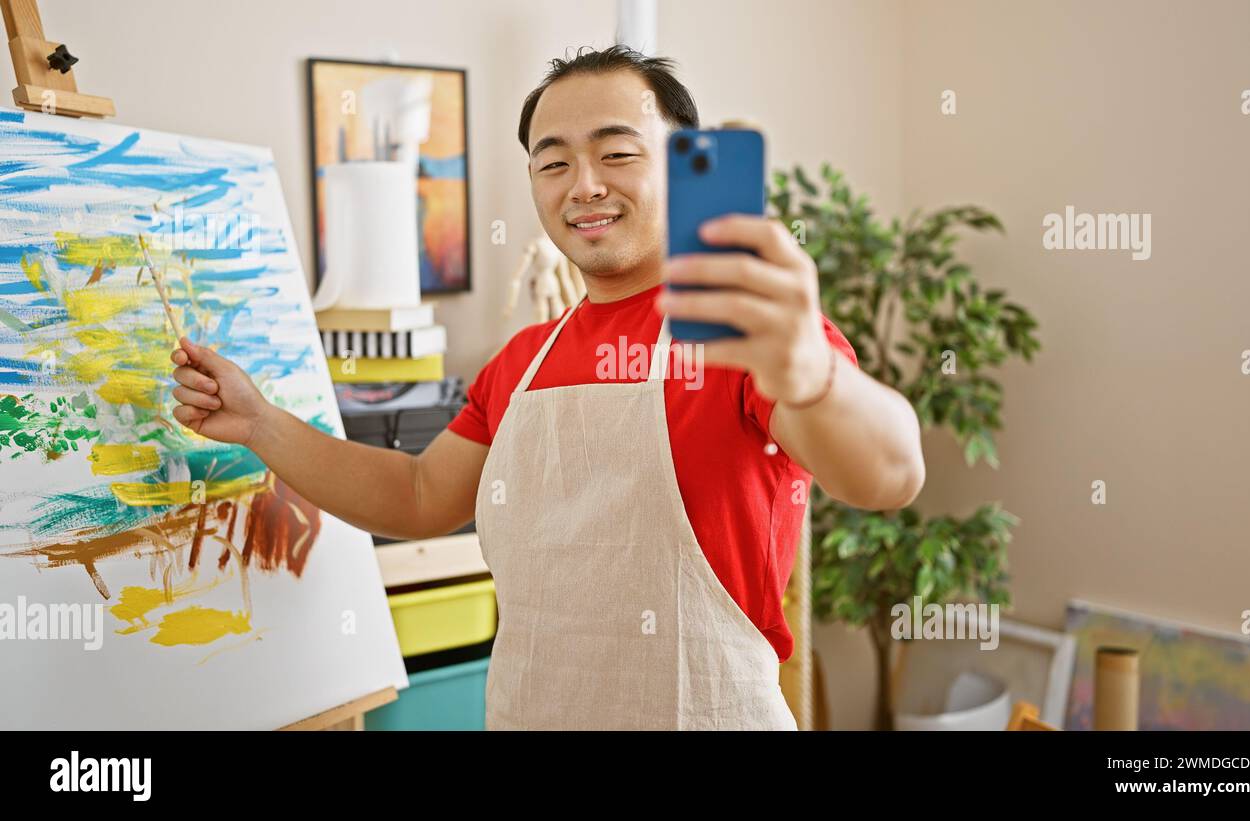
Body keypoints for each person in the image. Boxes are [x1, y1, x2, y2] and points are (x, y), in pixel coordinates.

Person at [169, 45, 925, 730]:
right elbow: (419, 495)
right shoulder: (523, 360)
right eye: (553, 162)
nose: (584, 186)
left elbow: (889, 475)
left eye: (617, 153)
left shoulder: (743, 335)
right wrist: (261, 423)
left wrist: (814, 376)